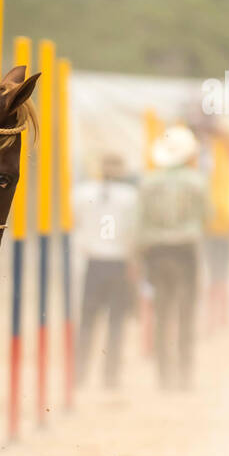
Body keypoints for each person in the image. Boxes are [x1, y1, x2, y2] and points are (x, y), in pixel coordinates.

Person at [137, 124, 210, 390]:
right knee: (186, 314)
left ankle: (164, 378)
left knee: (161, 314)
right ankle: (185, 376)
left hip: (156, 252)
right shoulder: (197, 181)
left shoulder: (148, 181)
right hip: (186, 251)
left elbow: (140, 222)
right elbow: (207, 216)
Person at [74, 153, 138, 389]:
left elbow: (76, 223)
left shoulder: (82, 193)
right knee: (116, 323)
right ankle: (110, 377)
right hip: (118, 263)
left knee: (88, 322)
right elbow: (134, 232)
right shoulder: (131, 197)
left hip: (93, 263)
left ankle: (80, 373)